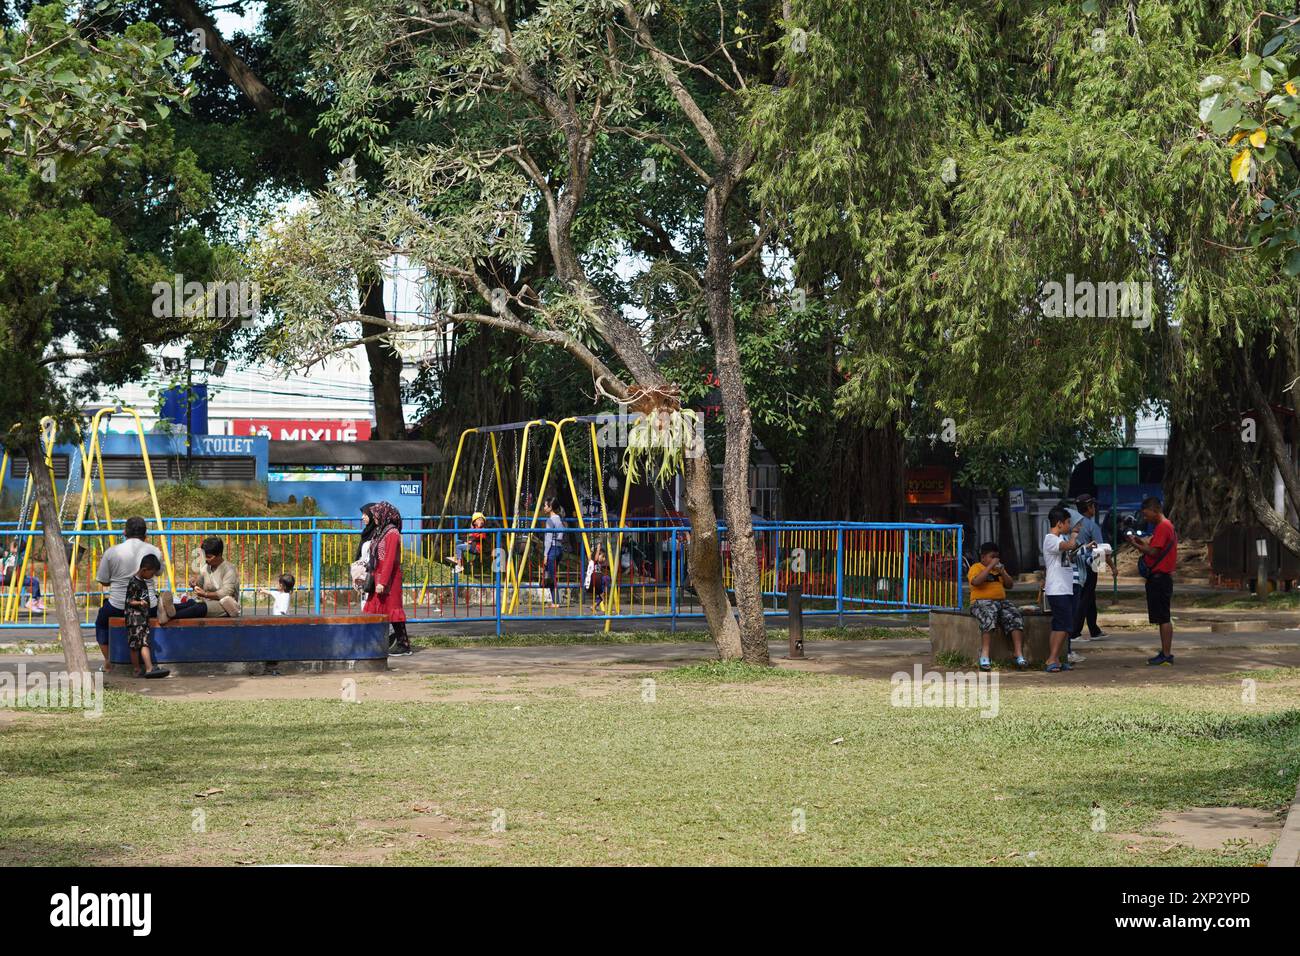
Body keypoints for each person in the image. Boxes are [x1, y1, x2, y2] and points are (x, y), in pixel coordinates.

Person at [94, 517, 162, 671]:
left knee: (101, 623)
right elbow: (158, 572)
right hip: (148, 605)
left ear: (124, 532)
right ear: (146, 534)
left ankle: (109, 661)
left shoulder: (112, 552)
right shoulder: (154, 551)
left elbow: (103, 581)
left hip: (118, 605)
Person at [1128, 496, 1178, 665]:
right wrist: (1141, 542)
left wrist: (1136, 545)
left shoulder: (1163, 527)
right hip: (1160, 578)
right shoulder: (1163, 527)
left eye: (1146, 514)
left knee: (1163, 617)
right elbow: (1154, 547)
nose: (1145, 518)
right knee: (1162, 616)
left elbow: (1154, 552)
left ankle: (1166, 654)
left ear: (1155, 510)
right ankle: (1165, 652)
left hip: (1160, 578)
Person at [966, 542, 1028, 671]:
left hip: (1000, 602)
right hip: (980, 602)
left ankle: (1018, 654)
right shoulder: (976, 567)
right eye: (992, 556)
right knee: (988, 616)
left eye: (997, 557)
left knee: (1015, 615)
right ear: (983, 557)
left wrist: (1003, 572)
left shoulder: (999, 569)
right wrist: (989, 567)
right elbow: (976, 582)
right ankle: (985, 655)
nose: (996, 560)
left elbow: (1010, 585)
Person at [363, 501, 410, 655]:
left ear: (385, 515)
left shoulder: (392, 534)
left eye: (377, 515)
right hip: (378, 577)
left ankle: (404, 644)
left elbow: (389, 559)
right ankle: (376, 641)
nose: (374, 518)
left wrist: (382, 582)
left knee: (393, 611)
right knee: (375, 609)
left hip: (389, 580)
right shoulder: (381, 531)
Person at [160, 536, 241, 621]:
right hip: (207, 602)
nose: (206, 559)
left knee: (198, 607)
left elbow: (226, 593)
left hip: (225, 606)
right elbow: (200, 583)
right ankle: (164, 609)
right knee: (190, 603)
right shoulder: (207, 567)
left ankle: (169, 617)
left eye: (209, 557)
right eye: (205, 556)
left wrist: (205, 594)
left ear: (219, 555)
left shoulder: (229, 570)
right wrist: (194, 583)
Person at [1042, 506, 1083, 673]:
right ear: (1059, 524)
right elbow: (1069, 545)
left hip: (1064, 588)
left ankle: (1057, 659)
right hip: (1057, 589)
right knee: (1063, 625)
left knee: (1061, 625)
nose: (1069, 525)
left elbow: (1070, 551)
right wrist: (1074, 534)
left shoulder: (1058, 539)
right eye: (1067, 523)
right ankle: (1051, 659)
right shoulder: (1051, 539)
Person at [1070, 494, 1114, 644]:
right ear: (1089, 508)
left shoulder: (1072, 524)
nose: (1094, 508)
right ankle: (1075, 632)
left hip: (1075, 565)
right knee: (1085, 598)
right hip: (1089, 565)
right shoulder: (1091, 526)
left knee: (1089, 598)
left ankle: (1094, 629)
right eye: (1093, 506)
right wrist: (1110, 567)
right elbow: (1101, 550)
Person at [125, 554, 169, 679]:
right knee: (134, 645)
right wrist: (140, 603)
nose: (152, 576)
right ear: (144, 570)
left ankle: (149, 668)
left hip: (143, 619)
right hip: (134, 620)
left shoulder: (143, 582)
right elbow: (129, 600)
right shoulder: (133, 582)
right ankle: (137, 669)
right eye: (152, 573)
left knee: (144, 643)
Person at [2, 538, 43, 612]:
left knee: (35, 581)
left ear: (16, 548)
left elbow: (16, 568)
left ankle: (34, 601)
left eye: (11, 546)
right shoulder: (10, 554)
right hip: (9, 578)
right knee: (35, 581)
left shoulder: (19, 558)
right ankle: (35, 600)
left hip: (15, 579)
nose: (9, 547)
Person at [541, 498, 566, 605]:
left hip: (552, 549)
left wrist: (545, 554)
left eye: (545, 506)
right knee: (550, 574)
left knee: (551, 576)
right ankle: (554, 600)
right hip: (559, 548)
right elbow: (560, 535)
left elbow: (548, 539)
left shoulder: (550, 520)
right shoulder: (559, 519)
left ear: (550, 507)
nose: (544, 507)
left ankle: (556, 602)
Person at [585, 541, 612, 611]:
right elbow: (596, 559)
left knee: (605, 580)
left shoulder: (597, 564)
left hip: (595, 582)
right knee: (606, 578)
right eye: (603, 556)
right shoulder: (593, 562)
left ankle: (594, 605)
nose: (604, 559)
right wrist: (598, 549)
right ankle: (602, 593)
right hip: (591, 582)